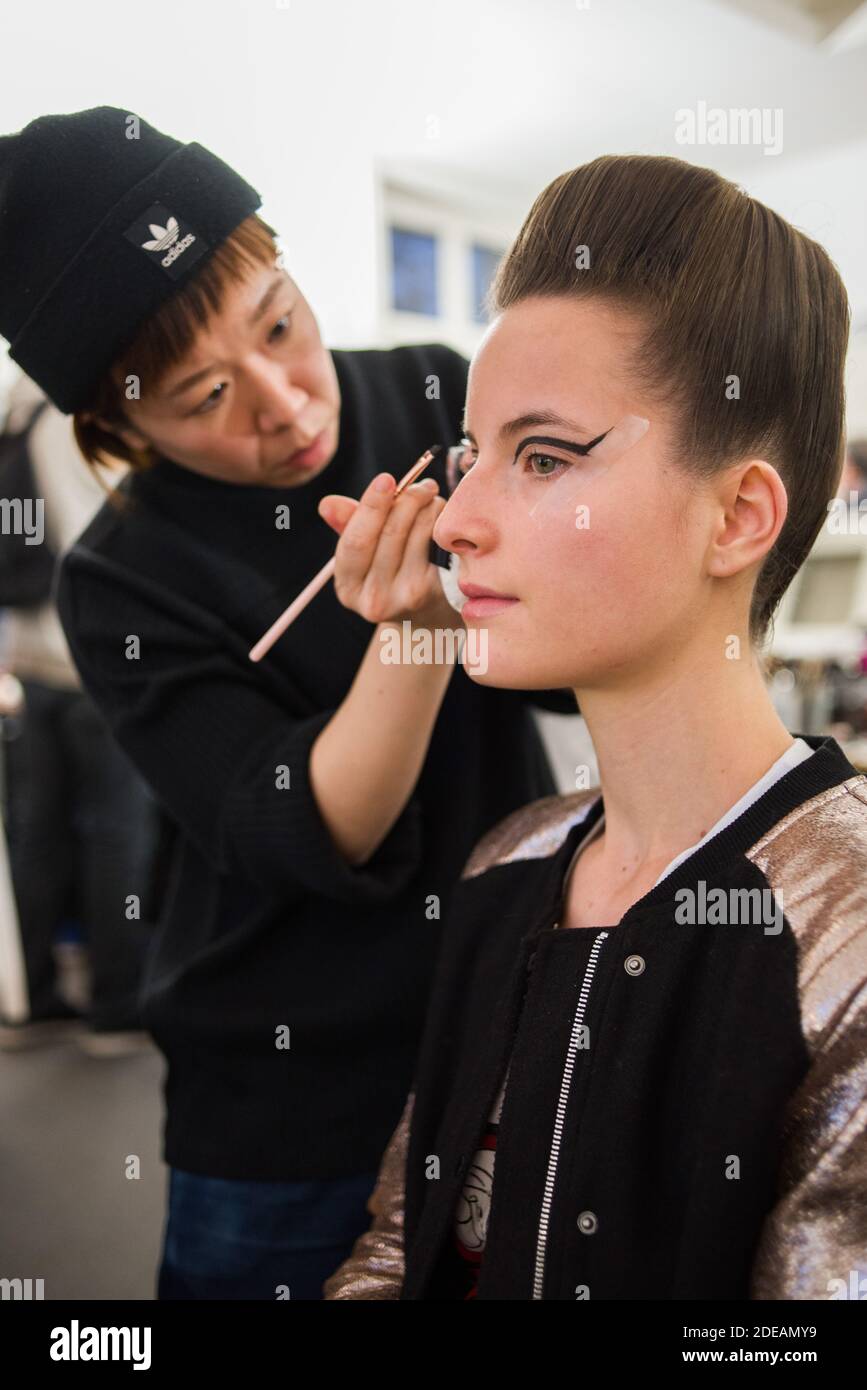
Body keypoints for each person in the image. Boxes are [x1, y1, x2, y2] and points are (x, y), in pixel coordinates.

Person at [0, 106, 575, 1300]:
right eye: (205, 395)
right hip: (288, 1094)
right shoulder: (118, 576)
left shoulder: (435, 394)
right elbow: (315, 826)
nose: (284, 403)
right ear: (116, 427)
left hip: (506, 1026)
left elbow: (574, 656)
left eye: (282, 323)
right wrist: (414, 634)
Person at [323, 154, 867, 1300]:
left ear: (737, 515)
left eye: (543, 458)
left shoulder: (844, 939)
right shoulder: (507, 866)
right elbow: (399, 1244)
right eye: (472, 459)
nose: (458, 520)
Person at [0, 378, 159, 1055]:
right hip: (102, 661)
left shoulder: (21, 411)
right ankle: (118, 1005)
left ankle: (34, 998)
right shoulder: (103, 415)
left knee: (37, 832)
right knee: (116, 832)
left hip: (30, 660)